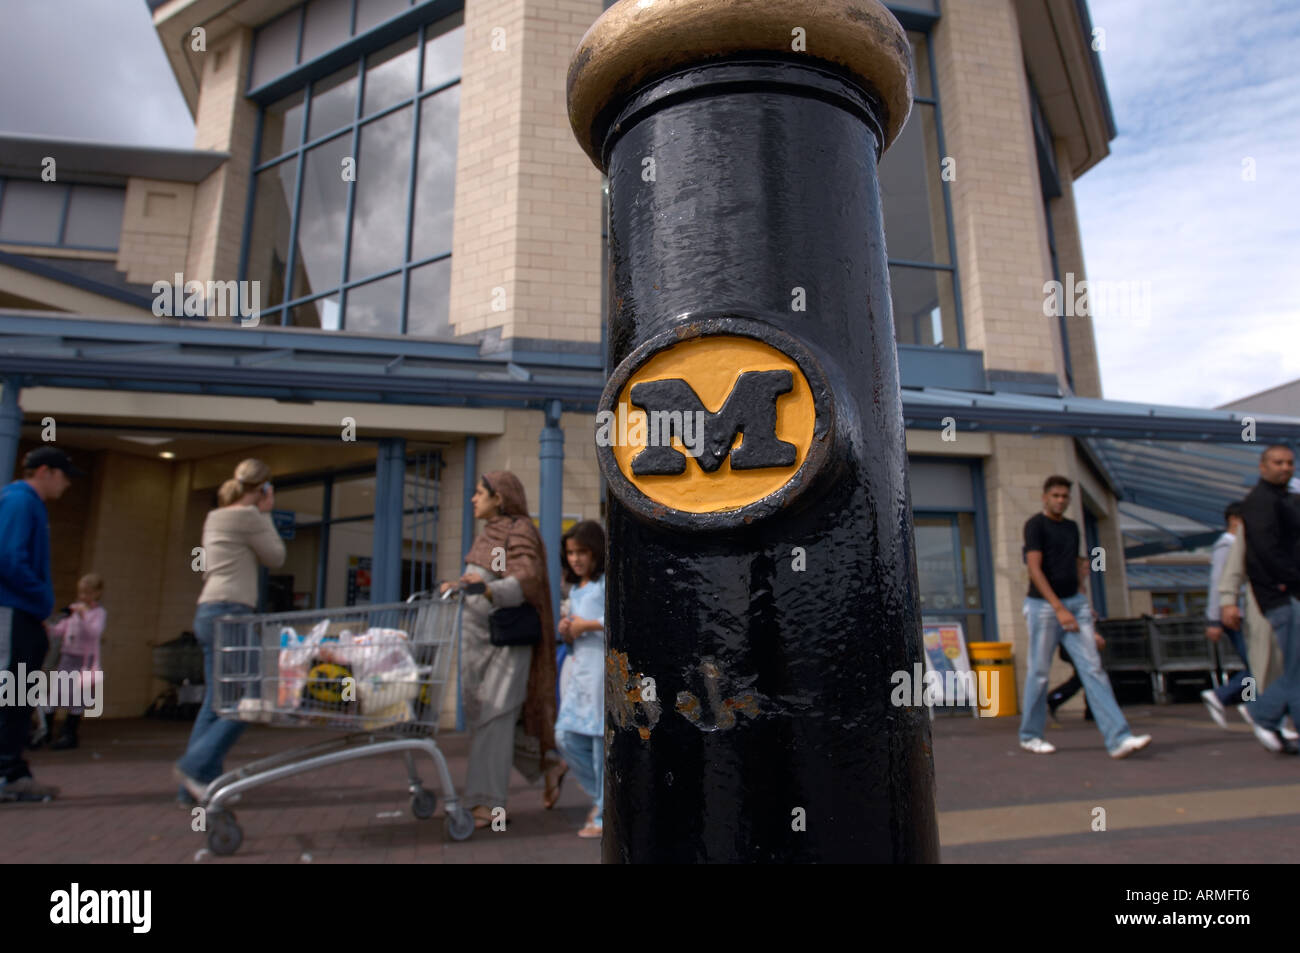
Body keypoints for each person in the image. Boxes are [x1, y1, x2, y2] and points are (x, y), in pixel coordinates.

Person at [440, 471, 557, 829]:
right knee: (498, 716)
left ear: (499, 498)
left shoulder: (518, 530)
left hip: (508, 644)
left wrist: (488, 591)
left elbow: (527, 579)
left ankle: (487, 805)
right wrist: (463, 585)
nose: (473, 500)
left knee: (494, 717)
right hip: (481, 645)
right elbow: (486, 578)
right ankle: (550, 764)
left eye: (479, 493)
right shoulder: (487, 536)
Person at [174, 459, 285, 803]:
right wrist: (266, 513)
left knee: (217, 701)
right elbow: (276, 557)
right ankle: (195, 766)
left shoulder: (216, 515)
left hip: (208, 610)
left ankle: (194, 788)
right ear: (263, 488)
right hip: (232, 613)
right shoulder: (249, 517)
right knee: (252, 699)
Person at [1019, 475, 1152, 758]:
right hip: (1044, 606)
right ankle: (1030, 735)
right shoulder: (1035, 525)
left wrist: (1083, 608)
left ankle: (1119, 739)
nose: (1060, 500)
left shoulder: (1072, 528)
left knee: (1093, 670)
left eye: (1065, 496)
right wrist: (1059, 609)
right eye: (1055, 495)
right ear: (1045, 497)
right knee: (1039, 673)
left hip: (1074, 605)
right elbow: (1034, 569)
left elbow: (1075, 568)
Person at [0, 447, 83, 800]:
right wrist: (40, 599)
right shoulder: (21, 502)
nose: (66, 485)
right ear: (46, 471)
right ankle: (6, 774)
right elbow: (8, 558)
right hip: (14, 610)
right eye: (64, 476)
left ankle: (13, 771)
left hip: (23, 613)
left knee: (18, 696)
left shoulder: (23, 503)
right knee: (10, 694)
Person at [1232, 445, 1300, 755]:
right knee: (1296, 669)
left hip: (1285, 593)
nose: (1285, 467)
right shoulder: (1260, 503)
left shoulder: (1282, 501)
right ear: (1262, 467)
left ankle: (1266, 714)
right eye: (1278, 462)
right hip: (1282, 596)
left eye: (1289, 463)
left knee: (1296, 668)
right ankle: (1261, 711)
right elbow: (1265, 551)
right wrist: (1289, 581)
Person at [553, 520, 606, 838]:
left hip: (601, 673)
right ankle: (603, 799)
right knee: (565, 737)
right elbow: (575, 634)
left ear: (596, 552)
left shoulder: (604, 585)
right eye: (571, 553)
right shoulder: (575, 589)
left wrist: (585, 626)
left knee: (600, 745)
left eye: (582, 552)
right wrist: (567, 630)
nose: (576, 559)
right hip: (578, 672)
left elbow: (617, 616)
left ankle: (603, 812)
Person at [37, 573, 106, 750]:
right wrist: (50, 628)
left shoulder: (98, 613)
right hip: (68, 656)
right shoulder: (74, 611)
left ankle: (70, 733)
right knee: (56, 692)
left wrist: (83, 618)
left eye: (88, 593)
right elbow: (62, 629)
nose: (83, 597)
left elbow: (94, 633)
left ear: (97, 593)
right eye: (81, 593)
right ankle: (46, 730)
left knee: (77, 695)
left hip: (84, 659)